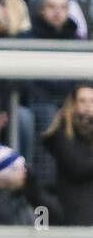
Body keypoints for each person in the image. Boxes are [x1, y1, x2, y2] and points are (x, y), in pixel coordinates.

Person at [42, 84, 93, 225]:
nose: (88, 106)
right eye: (82, 101)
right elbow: (77, 168)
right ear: (73, 104)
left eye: (92, 101)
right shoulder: (61, 135)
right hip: (75, 209)